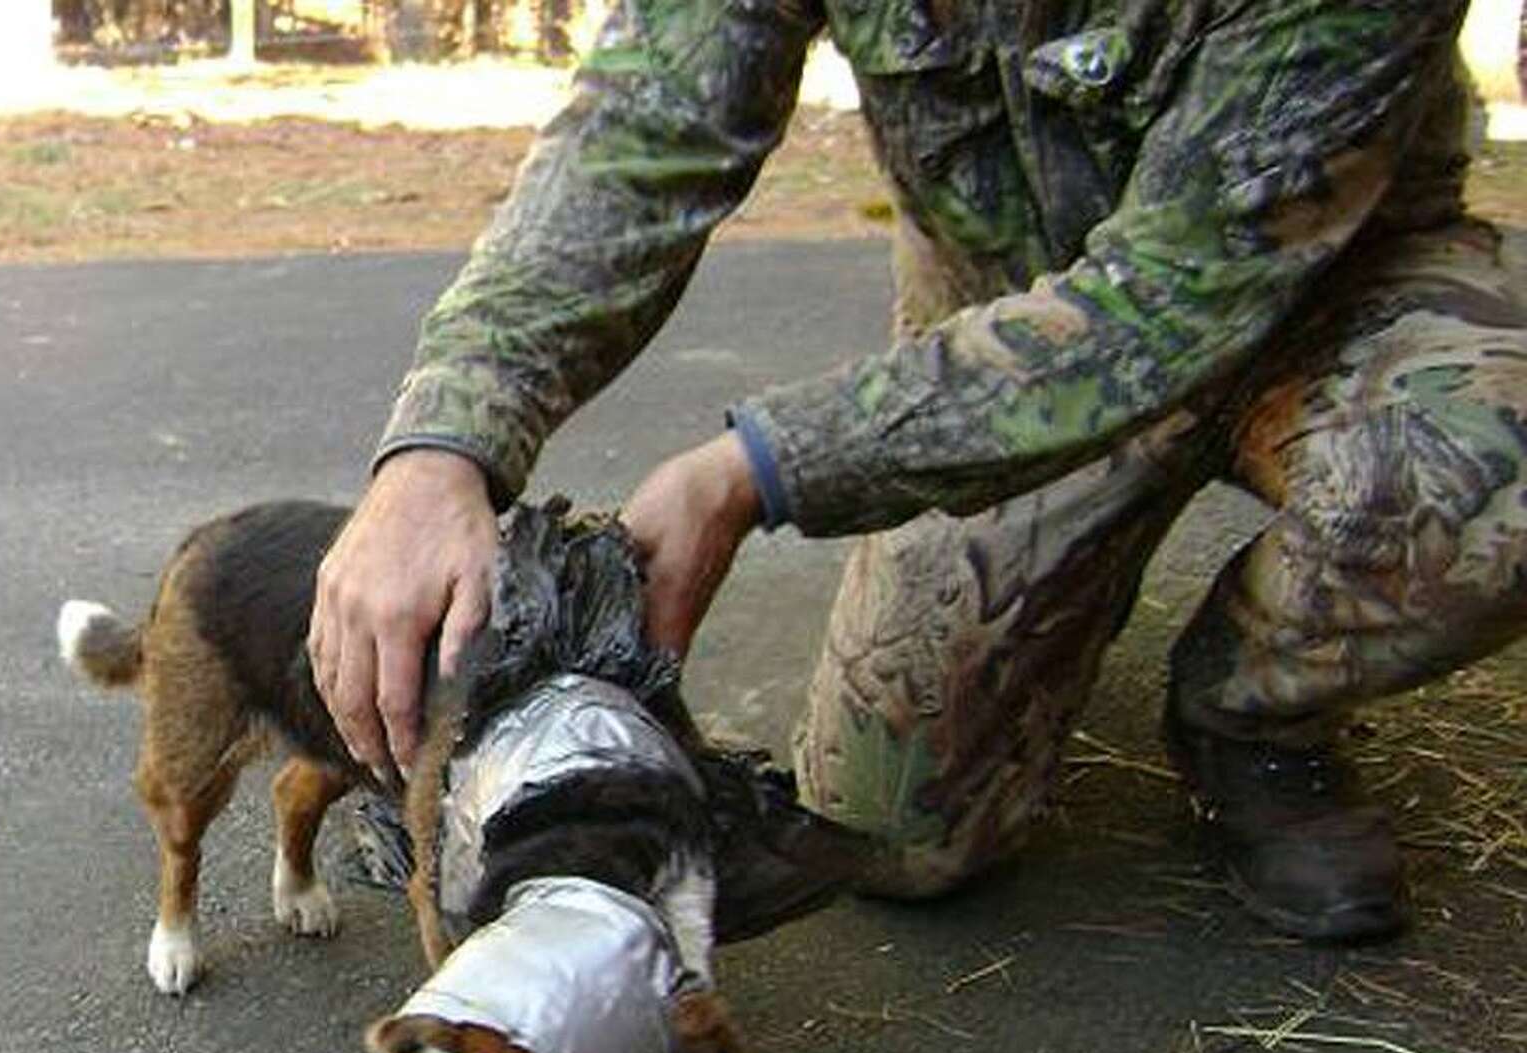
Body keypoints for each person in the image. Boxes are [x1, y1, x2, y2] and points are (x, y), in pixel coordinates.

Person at [307, 0, 1527, 943]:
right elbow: (635, 142)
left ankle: (1254, 717)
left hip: (1333, 308)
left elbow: (1169, 300)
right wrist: (443, 441)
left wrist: (755, 471)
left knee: (1484, 478)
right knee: (893, 830)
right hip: (993, 351)